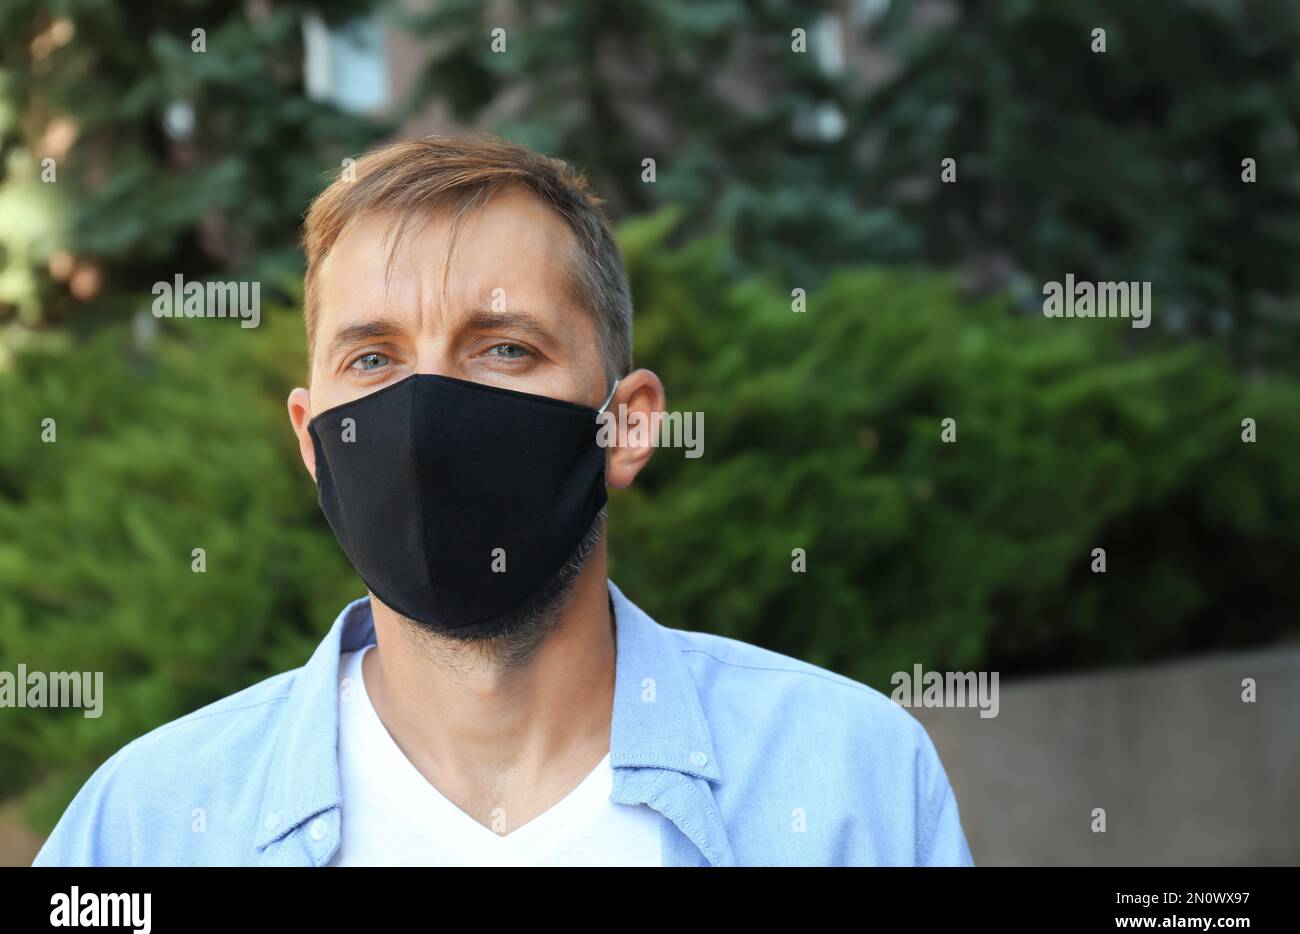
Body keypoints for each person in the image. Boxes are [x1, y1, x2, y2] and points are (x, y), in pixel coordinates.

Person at [33, 134, 974, 866]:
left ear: (629, 424)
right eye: (373, 359)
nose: (427, 413)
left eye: (505, 348)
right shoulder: (147, 826)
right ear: (311, 442)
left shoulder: (854, 783)